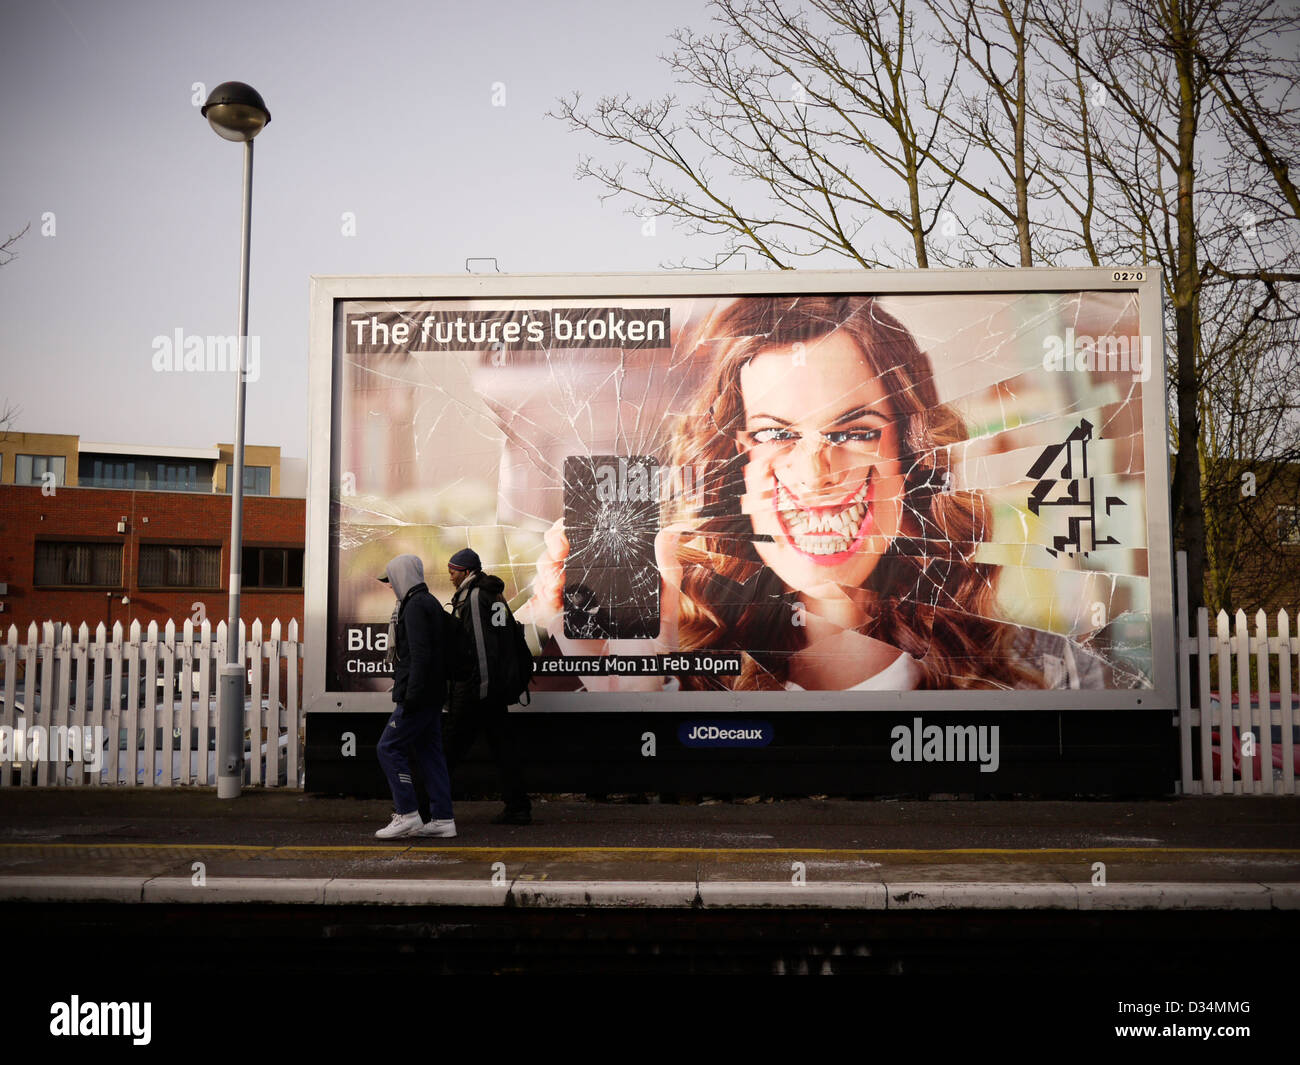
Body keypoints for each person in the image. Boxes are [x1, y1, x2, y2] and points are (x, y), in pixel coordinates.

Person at [530, 294, 1088, 691]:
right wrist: (625, 695)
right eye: (776, 434)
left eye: (854, 431)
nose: (817, 471)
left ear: (910, 462)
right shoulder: (682, 674)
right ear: (735, 472)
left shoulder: (1044, 677)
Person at [444, 548, 533, 825]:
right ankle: (518, 807)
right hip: (492, 688)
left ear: (467, 572)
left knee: (449, 748)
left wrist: (480, 691)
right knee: (504, 749)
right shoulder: (490, 593)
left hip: (479, 690)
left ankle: (425, 808)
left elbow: (482, 649)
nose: (450, 577)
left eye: (454, 571)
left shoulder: (473, 597)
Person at [374, 554, 456, 839]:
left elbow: (420, 656)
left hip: (419, 696)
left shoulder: (414, 606)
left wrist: (412, 697)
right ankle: (443, 819)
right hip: (432, 694)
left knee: (388, 748)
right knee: (430, 753)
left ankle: (407, 813)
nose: (389, 586)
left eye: (391, 580)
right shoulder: (428, 602)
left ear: (402, 576)